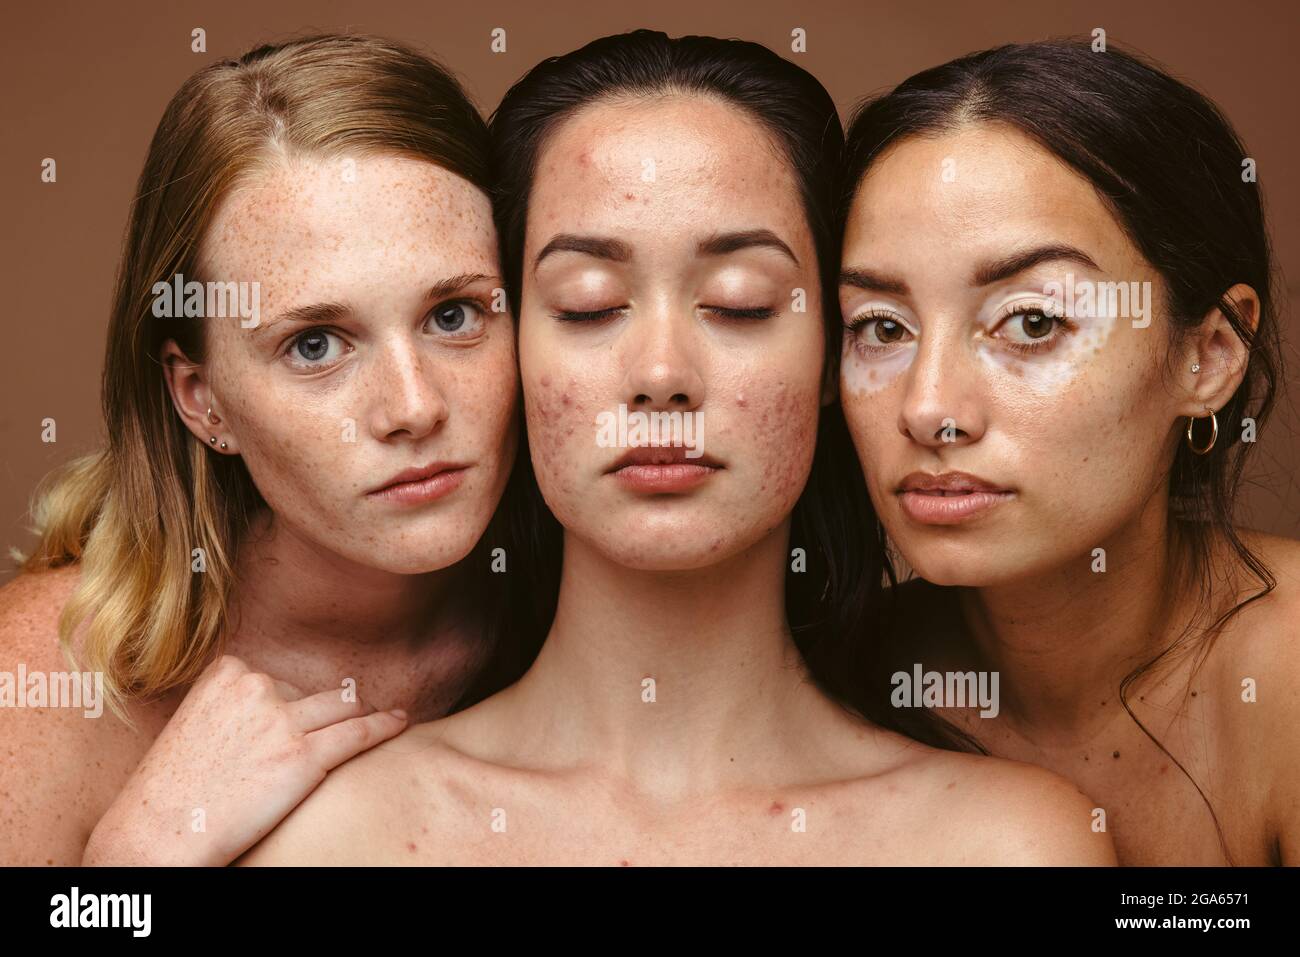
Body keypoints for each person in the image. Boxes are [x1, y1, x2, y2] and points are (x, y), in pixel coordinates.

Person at [241, 31, 1115, 866]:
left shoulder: (1012, 843)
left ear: (834, 353)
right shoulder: (330, 836)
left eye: (740, 302)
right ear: (509, 350)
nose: (661, 374)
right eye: (586, 304)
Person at [0, 34, 523, 866]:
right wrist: (139, 858)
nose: (414, 407)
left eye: (454, 316)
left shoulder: (586, 618)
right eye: (316, 344)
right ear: (202, 400)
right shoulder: (53, 676)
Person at [836, 39, 1299, 864]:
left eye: (1033, 322)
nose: (929, 408)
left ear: (1210, 356)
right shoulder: (837, 679)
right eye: (882, 327)